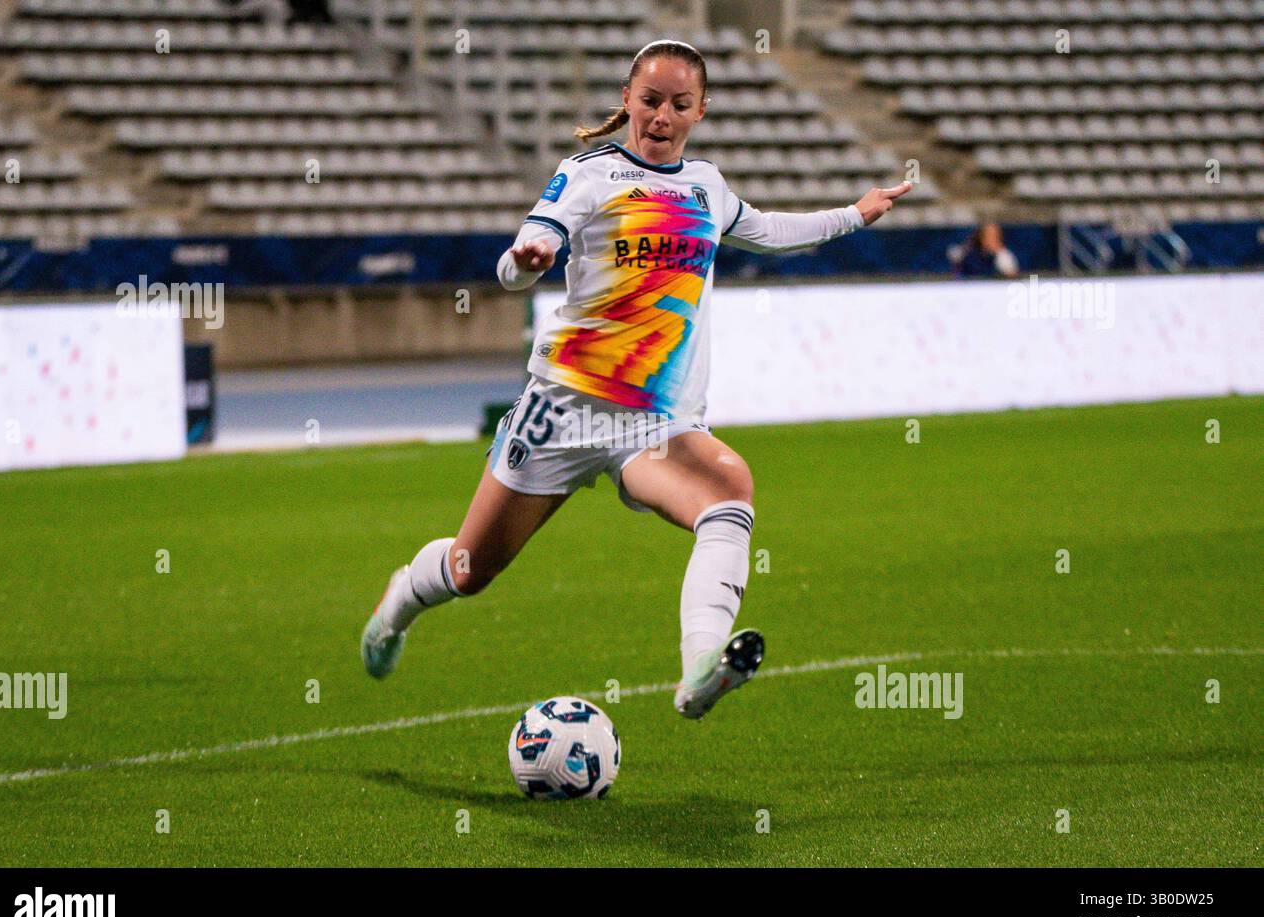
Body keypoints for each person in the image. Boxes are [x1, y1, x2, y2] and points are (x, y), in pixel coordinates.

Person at [361, 40, 911, 719]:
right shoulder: (588, 173)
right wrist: (526, 260)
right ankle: (400, 603)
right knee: (472, 570)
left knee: (728, 490)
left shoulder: (705, 185)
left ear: (700, 111)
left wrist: (855, 213)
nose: (661, 116)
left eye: (680, 104)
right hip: (564, 407)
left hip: (653, 420)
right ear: (626, 99)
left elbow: (769, 230)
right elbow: (523, 253)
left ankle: (700, 669)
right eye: (650, 100)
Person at [950, 221, 1019, 278]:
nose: (993, 240)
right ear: (981, 237)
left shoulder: (1003, 256)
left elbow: (1012, 277)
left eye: (996, 236)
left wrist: (1001, 253)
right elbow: (956, 275)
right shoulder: (968, 254)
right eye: (989, 236)